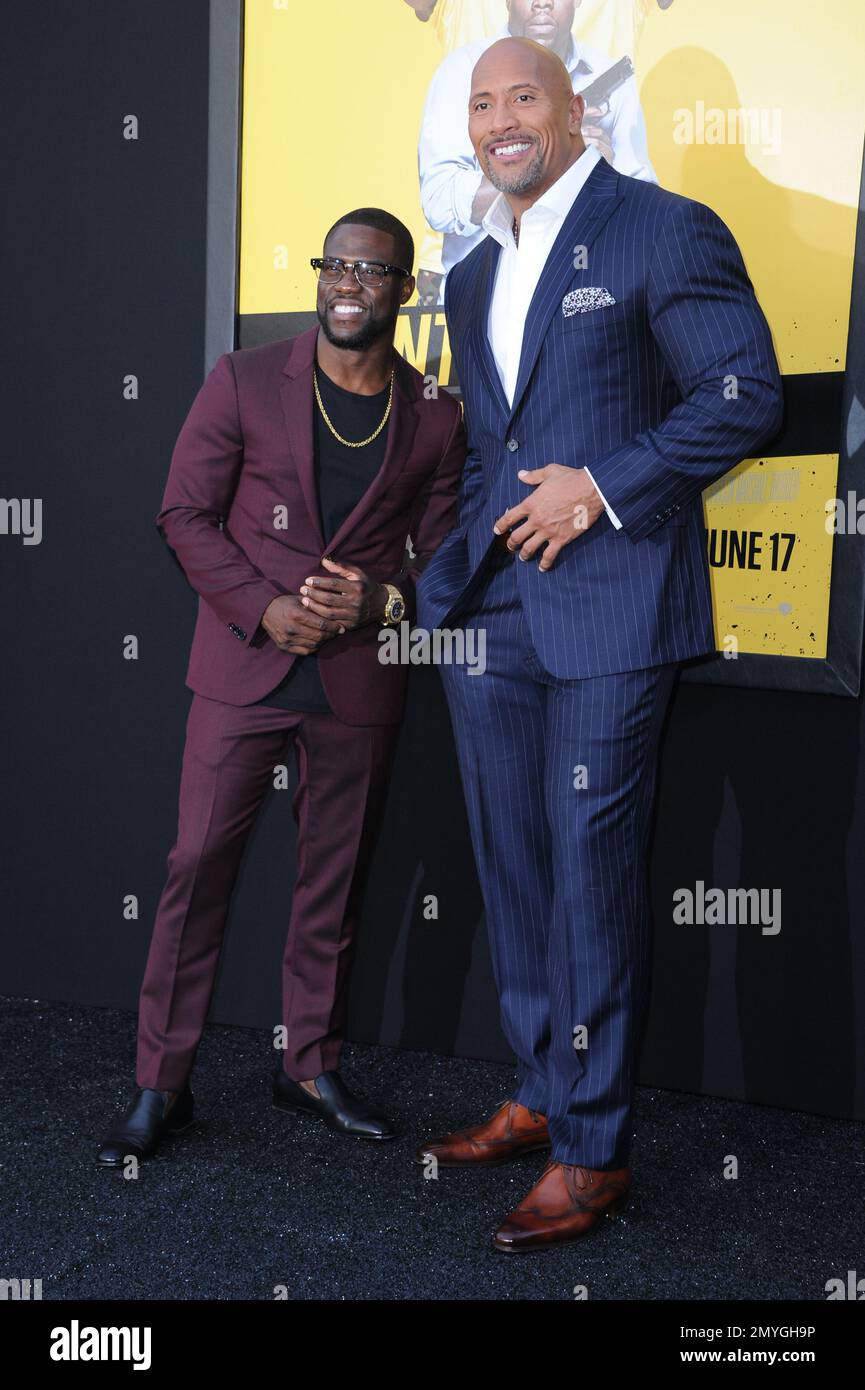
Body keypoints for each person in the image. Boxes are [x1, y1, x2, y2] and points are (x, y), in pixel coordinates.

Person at [415, 37, 783, 1251]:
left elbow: (741, 392)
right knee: (514, 862)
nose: (501, 119)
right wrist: (445, 584)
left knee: (589, 872)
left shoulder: (659, 227)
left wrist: (602, 490)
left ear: (576, 109)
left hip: (615, 603)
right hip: (496, 618)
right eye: (482, 103)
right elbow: (483, 450)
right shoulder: (470, 273)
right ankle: (538, 1087)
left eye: (525, 95)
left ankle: (592, 1150)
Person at [96, 209, 465, 1167]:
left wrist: (383, 601)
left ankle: (308, 1064)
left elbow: (451, 557)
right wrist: (263, 609)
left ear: (403, 289)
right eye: (335, 265)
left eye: (372, 270)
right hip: (244, 668)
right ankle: (160, 1084)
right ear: (319, 277)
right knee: (194, 871)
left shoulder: (434, 414)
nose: (349, 283)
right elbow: (183, 513)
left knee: (331, 886)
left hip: (358, 682)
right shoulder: (245, 379)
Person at [418, 0, 656, 294]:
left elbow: (641, 204)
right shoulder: (460, 70)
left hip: (589, 287)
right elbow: (440, 202)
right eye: (484, 105)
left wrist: (600, 173)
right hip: (484, 293)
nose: (541, 2)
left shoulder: (609, 74)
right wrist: (561, 163)